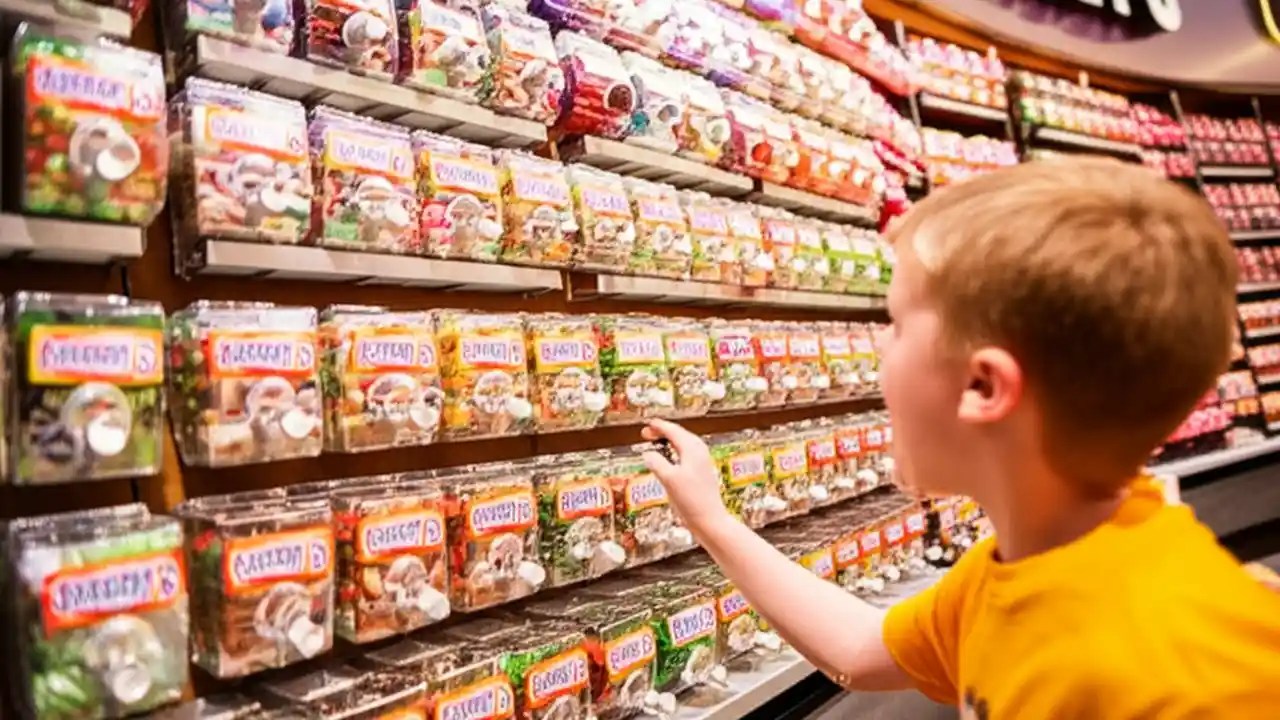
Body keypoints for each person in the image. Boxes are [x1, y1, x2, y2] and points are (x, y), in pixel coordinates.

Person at [640, 158, 1280, 718]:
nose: (878, 348)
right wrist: (711, 519)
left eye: (894, 322)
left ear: (983, 386)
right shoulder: (1023, 566)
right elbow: (863, 652)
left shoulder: (1201, 678)